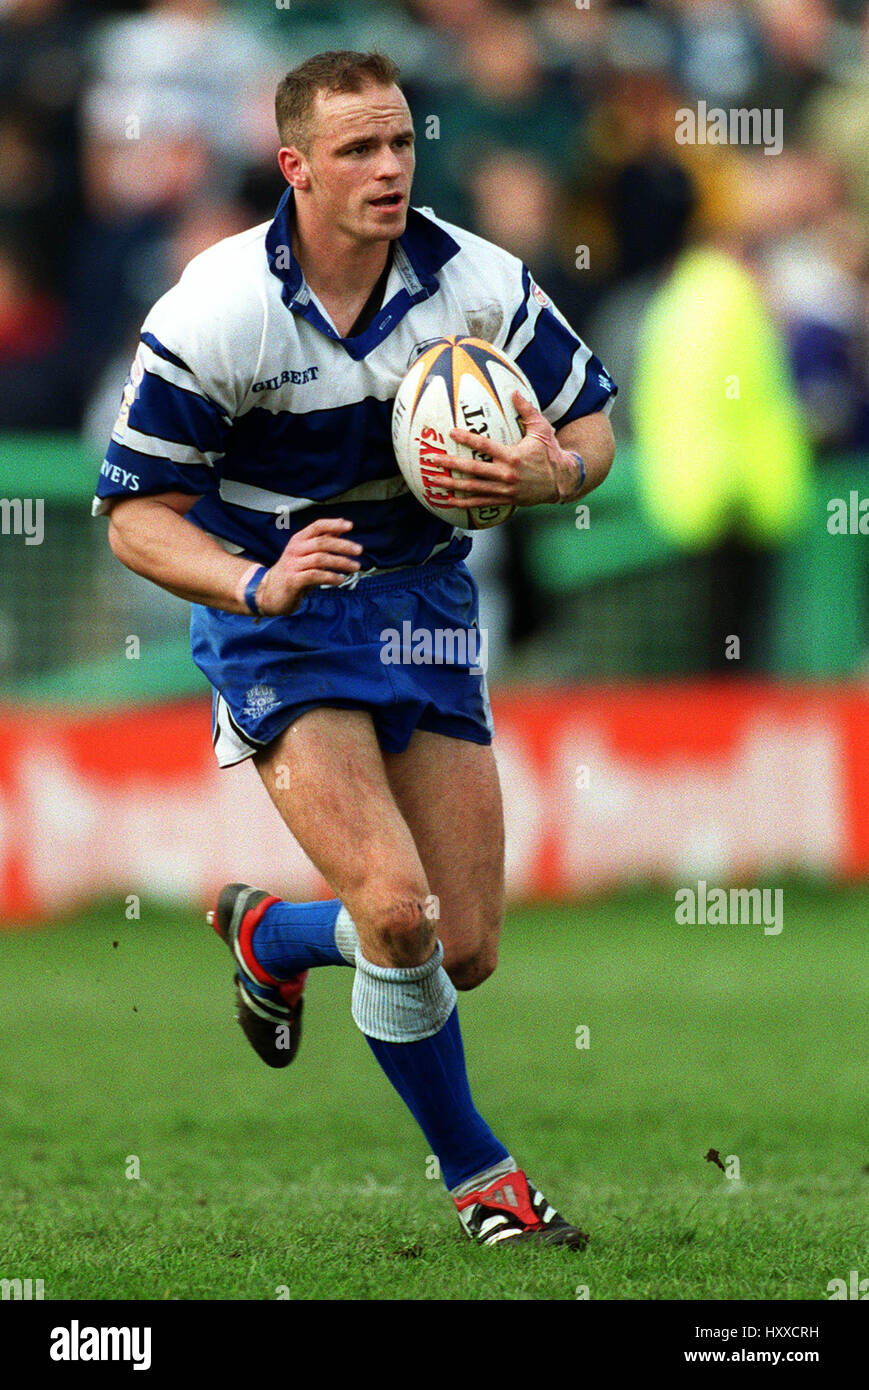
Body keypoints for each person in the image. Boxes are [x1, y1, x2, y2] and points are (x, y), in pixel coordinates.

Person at [93, 50, 617, 1248]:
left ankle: (272, 934)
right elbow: (134, 518)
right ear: (295, 168)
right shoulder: (215, 307)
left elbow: (589, 429)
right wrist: (251, 580)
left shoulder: (475, 281)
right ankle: (483, 1179)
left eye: (398, 143)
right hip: (280, 617)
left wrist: (553, 473)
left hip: (426, 606)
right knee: (393, 909)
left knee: (463, 945)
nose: (388, 169)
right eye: (355, 151)